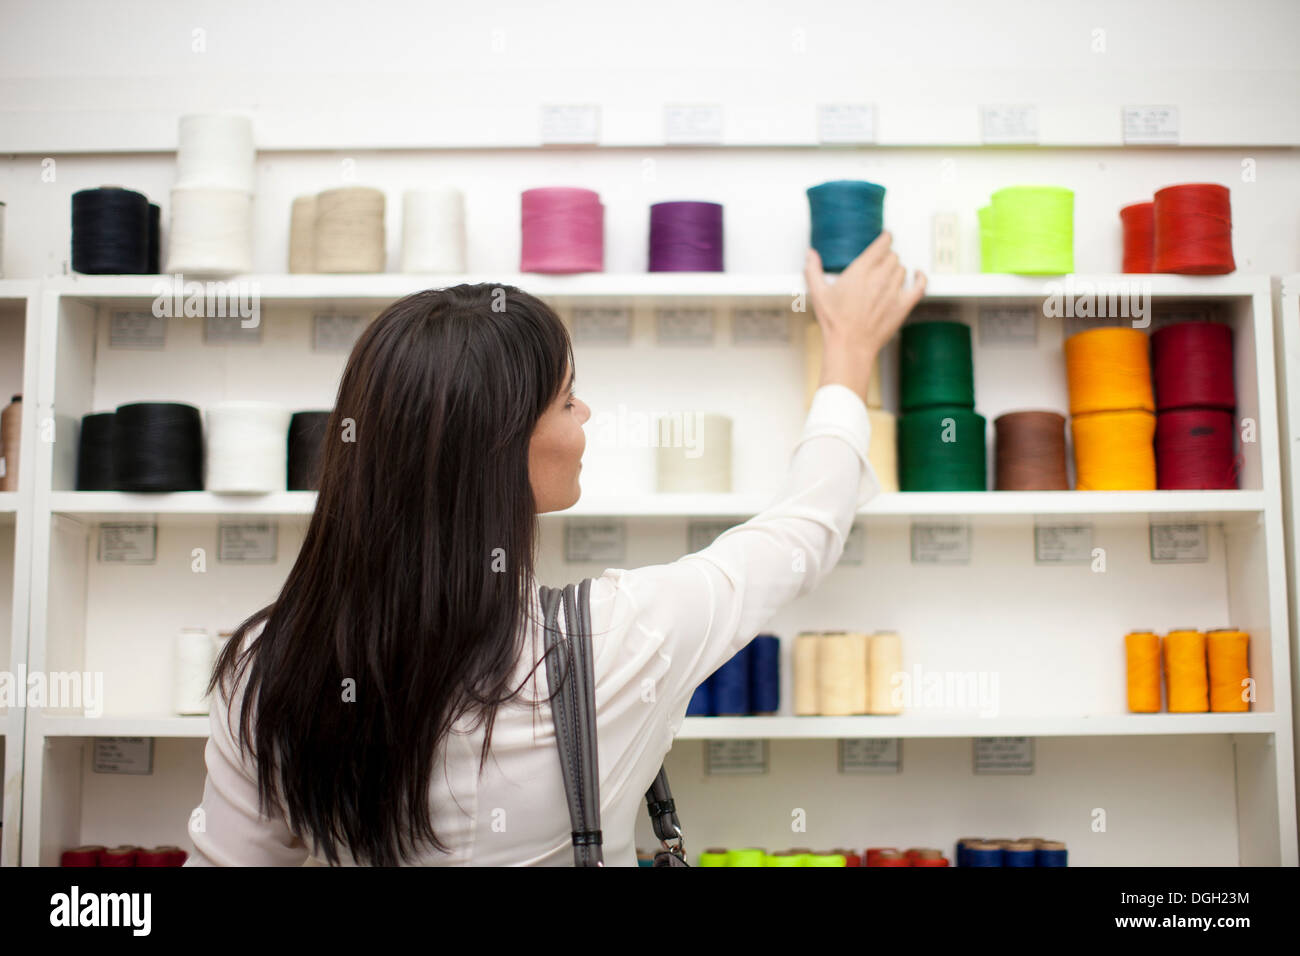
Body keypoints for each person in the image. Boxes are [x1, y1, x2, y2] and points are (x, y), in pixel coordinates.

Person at [186, 232, 925, 866]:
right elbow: (801, 532)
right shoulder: (618, 639)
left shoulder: (267, 666)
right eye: (569, 398)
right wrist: (849, 352)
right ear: (505, 447)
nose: (586, 414)